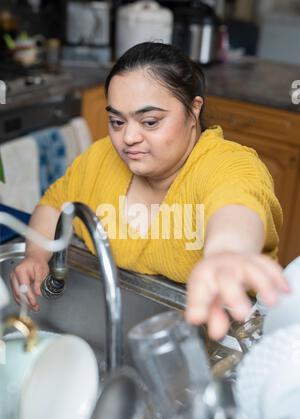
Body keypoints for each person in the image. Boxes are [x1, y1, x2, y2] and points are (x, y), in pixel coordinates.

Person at [10, 42, 289, 339]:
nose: (128, 137)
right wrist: (36, 255)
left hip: (228, 338)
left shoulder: (227, 164)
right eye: (117, 121)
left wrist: (225, 255)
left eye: (150, 121)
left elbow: (237, 206)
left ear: (194, 110)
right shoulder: (100, 159)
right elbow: (55, 203)